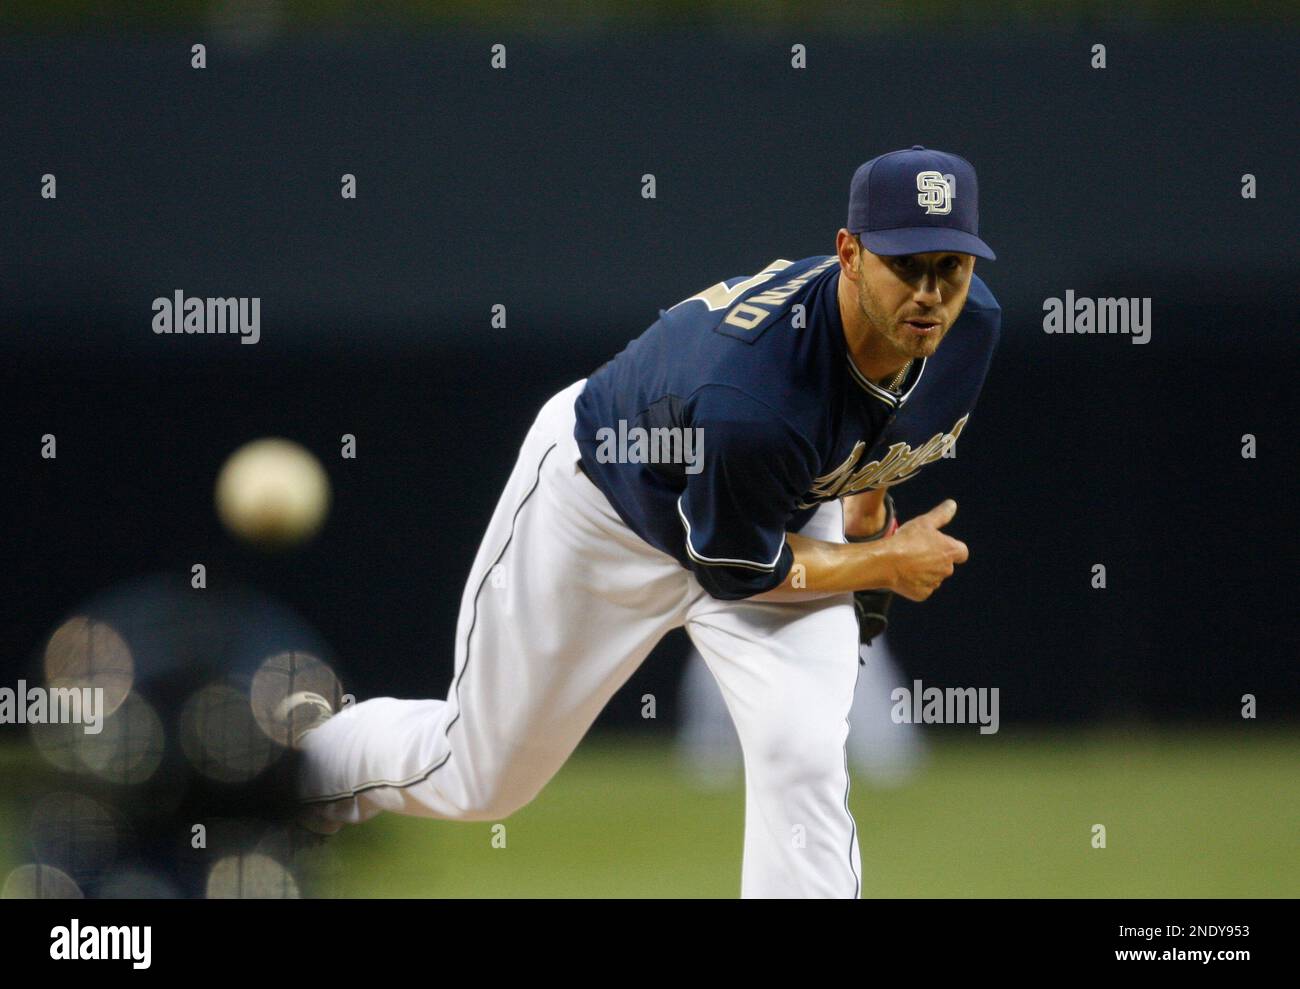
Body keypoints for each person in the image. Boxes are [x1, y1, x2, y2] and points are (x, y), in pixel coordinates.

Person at [294, 145, 1001, 898]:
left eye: (948, 267)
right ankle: (294, 768)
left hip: (768, 504)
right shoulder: (755, 393)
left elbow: (871, 448)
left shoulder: (967, 327)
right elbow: (736, 571)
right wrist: (885, 565)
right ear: (850, 253)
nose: (929, 292)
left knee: (802, 752)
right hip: (601, 511)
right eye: (905, 264)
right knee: (479, 777)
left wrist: (865, 521)